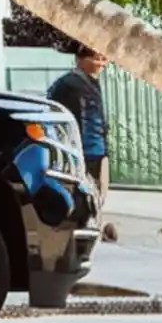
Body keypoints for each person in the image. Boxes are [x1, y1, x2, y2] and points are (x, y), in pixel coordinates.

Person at [47, 43, 117, 242]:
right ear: (80, 59)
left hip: (96, 148)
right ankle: (83, 229)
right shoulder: (68, 84)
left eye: (103, 58)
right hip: (82, 149)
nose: (101, 63)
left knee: (98, 192)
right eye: (95, 58)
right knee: (85, 192)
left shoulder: (90, 83)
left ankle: (92, 227)